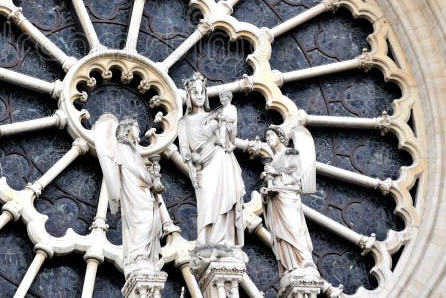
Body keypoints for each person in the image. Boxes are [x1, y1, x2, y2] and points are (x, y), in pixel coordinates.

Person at [177, 73, 245, 247]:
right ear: (189, 96)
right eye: (195, 93)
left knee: (225, 197)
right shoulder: (184, 122)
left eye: (201, 93)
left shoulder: (217, 115)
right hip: (202, 165)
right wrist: (191, 163)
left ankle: (224, 239)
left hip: (221, 158)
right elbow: (184, 148)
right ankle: (206, 238)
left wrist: (229, 124)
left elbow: (229, 136)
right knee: (207, 202)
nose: (199, 96)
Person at [93, 114, 162, 273]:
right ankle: (139, 255)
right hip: (134, 192)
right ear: (128, 129)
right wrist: (150, 178)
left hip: (141, 191)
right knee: (142, 221)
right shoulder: (123, 147)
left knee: (147, 221)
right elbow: (134, 169)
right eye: (136, 127)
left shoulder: (132, 149)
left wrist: (150, 175)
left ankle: (142, 255)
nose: (139, 130)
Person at [261, 126, 318, 276]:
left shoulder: (290, 153)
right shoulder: (273, 160)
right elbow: (273, 182)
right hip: (276, 202)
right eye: (266, 137)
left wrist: (276, 172)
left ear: (280, 136)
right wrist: (265, 190)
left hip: (289, 199)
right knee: (282, 235)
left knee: (294, 229)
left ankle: (304, 261)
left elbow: (296, 177)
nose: (268, 139)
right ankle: (290, 266)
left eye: (271, 135)